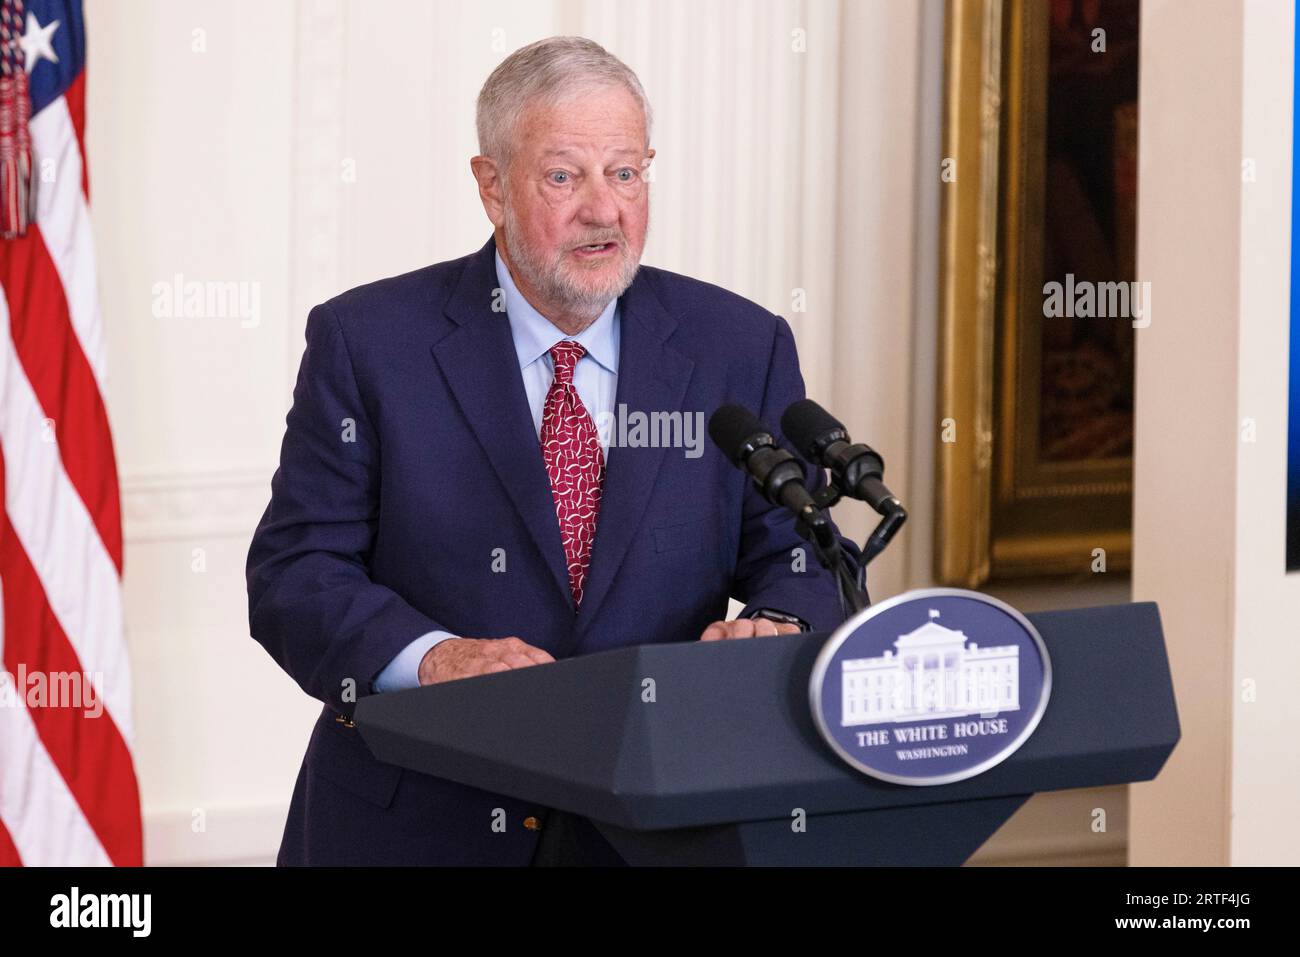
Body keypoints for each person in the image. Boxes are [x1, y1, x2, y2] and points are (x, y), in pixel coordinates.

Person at [246, 35, 864, 866]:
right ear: (492, 186)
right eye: (565, 175)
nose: (604, 210)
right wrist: (432, 660)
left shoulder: (738, 346)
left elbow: (805, 549)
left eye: (627, 173)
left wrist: (777, 620)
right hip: (418, 826)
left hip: (658, 829)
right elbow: (295, 573)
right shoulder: (369, 343)